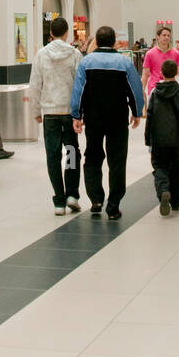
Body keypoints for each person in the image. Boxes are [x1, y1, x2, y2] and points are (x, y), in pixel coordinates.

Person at [71, 24, 145, 220]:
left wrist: (76, 116)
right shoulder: (125, 63)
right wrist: (136, 112)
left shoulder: (86, 62)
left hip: (93, 119)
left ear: (97, 40)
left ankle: (96, 199)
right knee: (117, 161)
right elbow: (135, 90)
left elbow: (78, 91)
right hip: (118, 119)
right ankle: (113, 206)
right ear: (114, 42)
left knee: (93, 157)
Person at [28, 15, 82, 214]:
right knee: (72, 152)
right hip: (69, 112)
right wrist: (80, 112)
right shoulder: (75, 54)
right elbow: (80, 85)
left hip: (50, 112)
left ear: (51, 33)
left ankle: (59, 201)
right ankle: (72, 194)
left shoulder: (41, 54)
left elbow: (35, 85)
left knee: (52, 156)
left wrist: (36, 111)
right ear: (67, 32)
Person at [145, 58, 179, 217]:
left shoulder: (154, 92)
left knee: (160, 167)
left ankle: (163, 191)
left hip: (159, 139)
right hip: (176, 140)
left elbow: (150, 116)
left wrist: (148, 139)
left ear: (161, 73)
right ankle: (176, 200)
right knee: (176, 168)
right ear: (176, 73)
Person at [141, 25, 179, 105]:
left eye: (168, 35)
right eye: (164, 35)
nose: (166, 37)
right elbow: (145, 75)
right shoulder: (150, 54)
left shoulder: (176, 53)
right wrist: (141, 90)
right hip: (155, 90)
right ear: (158, 36)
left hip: (171, 90)